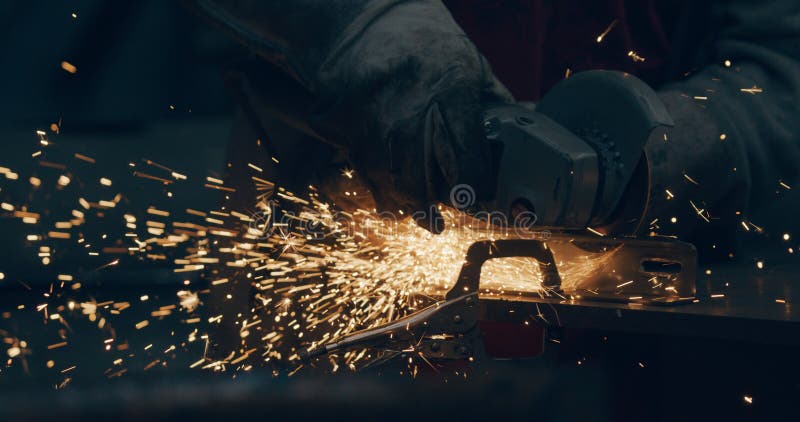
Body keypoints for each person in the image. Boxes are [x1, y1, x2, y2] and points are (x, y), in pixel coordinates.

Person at [186, 0, 800, 255]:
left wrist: (674, 150)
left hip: (637, 267)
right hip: (317, 212)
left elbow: (783, 65)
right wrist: (365, 24)